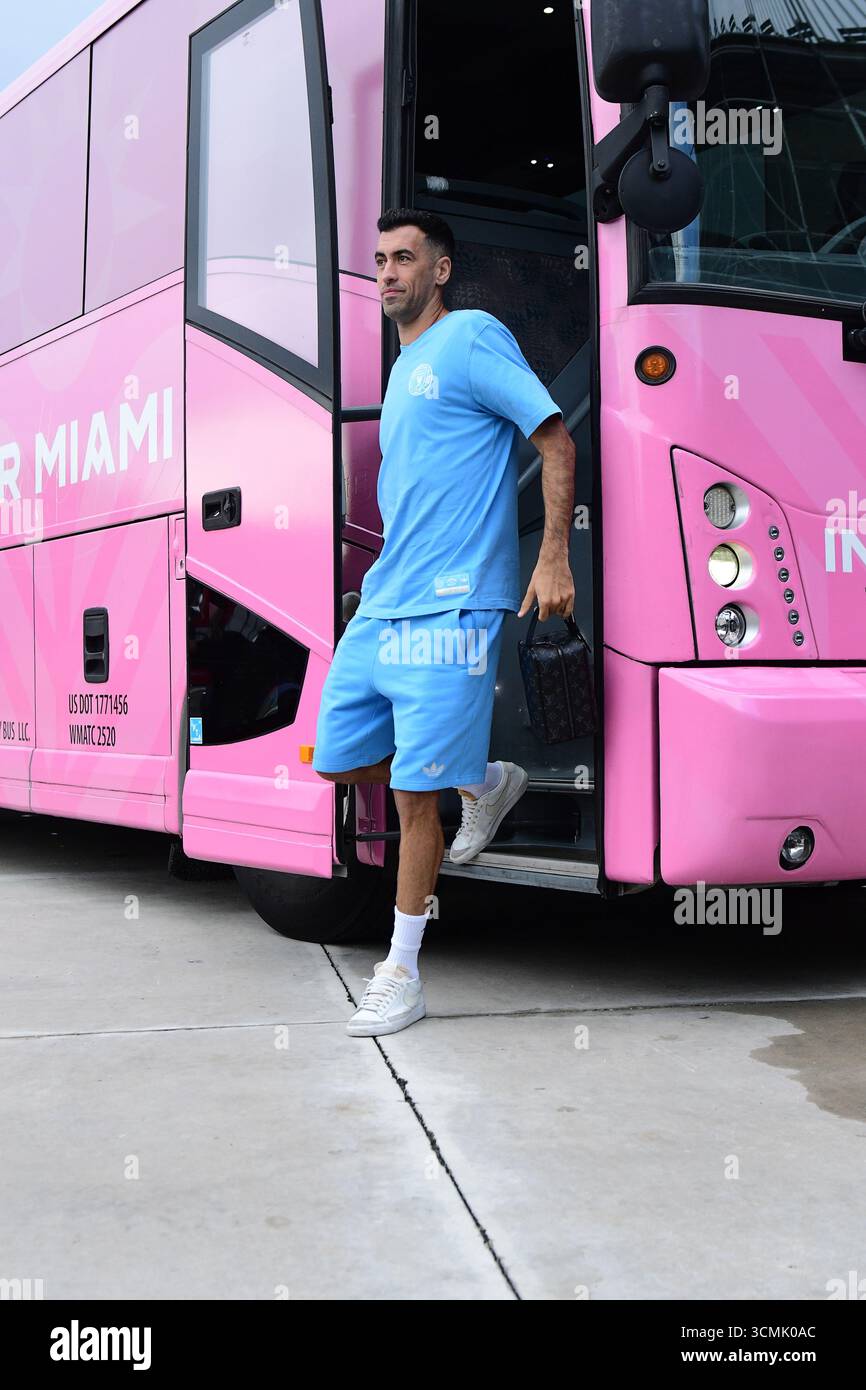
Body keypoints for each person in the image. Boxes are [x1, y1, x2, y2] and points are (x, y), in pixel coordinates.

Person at [313, 208, 575, 1036]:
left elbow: (555, 437)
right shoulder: (403, 368)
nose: (388, 272)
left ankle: (402, 971)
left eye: (405, 259)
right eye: (381, 259)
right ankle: (484, 781)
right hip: (388, 599)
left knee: (411, 796)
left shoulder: (470, 338)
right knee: (338, 759)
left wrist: (553, 557)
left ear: (442, 270)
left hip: (456, 602)